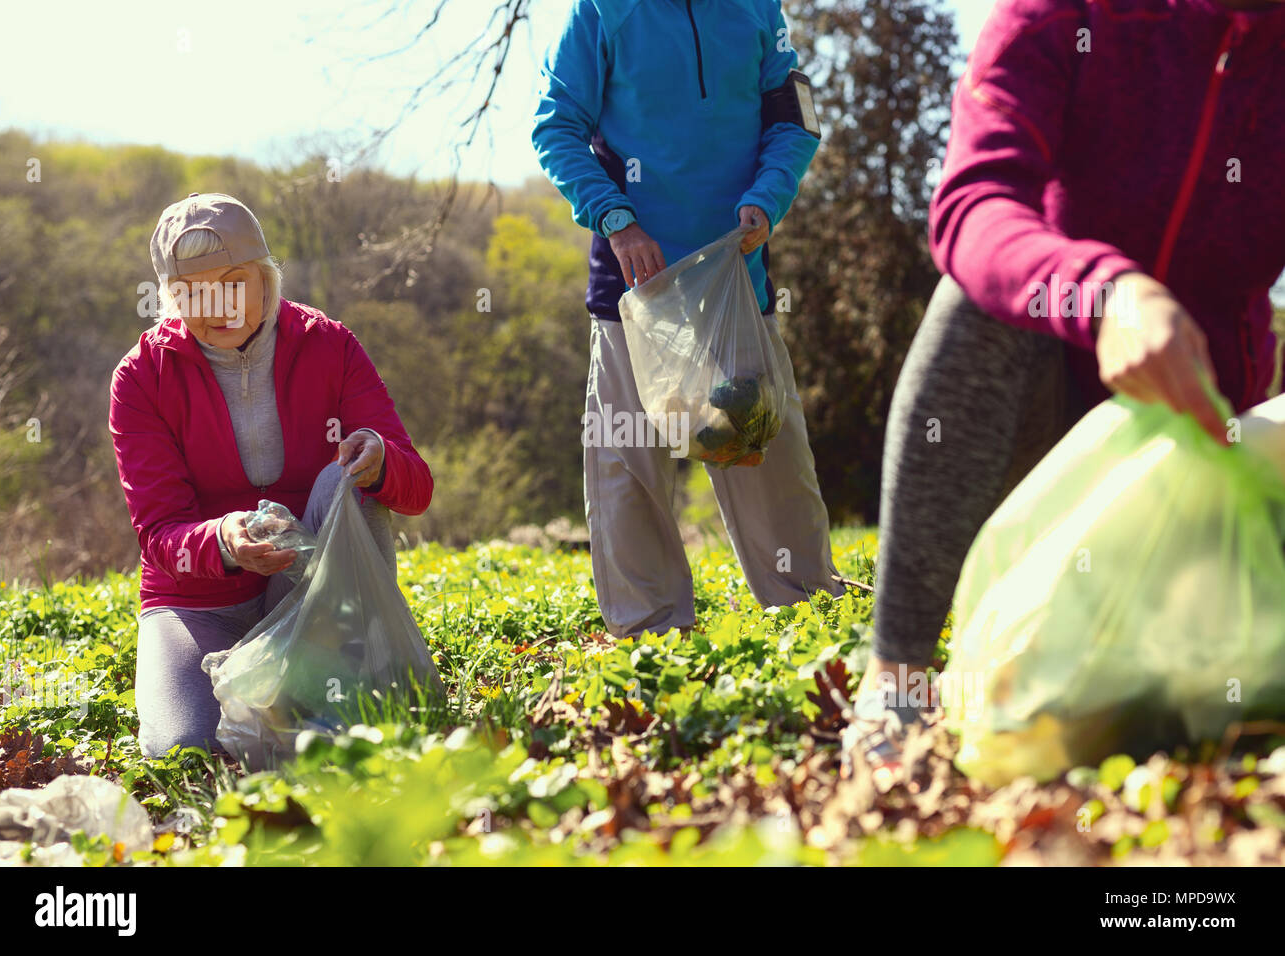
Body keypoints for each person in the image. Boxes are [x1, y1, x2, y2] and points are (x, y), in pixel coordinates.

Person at [854, 0, 1285, 739]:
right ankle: (898, 682)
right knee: (978, 300)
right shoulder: (1061, 16)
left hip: (1207, 467)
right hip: (1043, 439)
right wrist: (1104, 294)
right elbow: (975, 203)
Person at [531, 0, 845, 638]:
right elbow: (556, 125)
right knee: (630, 462)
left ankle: (805, 610)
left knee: (770, 453)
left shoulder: (759, 8)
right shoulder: (600, 9)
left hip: (736, 275)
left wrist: (767, 198)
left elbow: (793, 119)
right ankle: (651, 632)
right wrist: (616, 221)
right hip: (636, 286)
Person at [109, 192, 434, 758]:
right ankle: (280, 699)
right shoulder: (141, 378)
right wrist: (223, 540)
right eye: (192, 291)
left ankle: (359, 668)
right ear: (169, 298)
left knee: (345, 481)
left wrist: (381, 461)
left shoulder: (330, 345)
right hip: (199, 603)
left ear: (265, 277)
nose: (218, 305)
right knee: (185, 746)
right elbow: (158, 534)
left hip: (311, 592)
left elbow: (416, 489)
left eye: (234, 281)